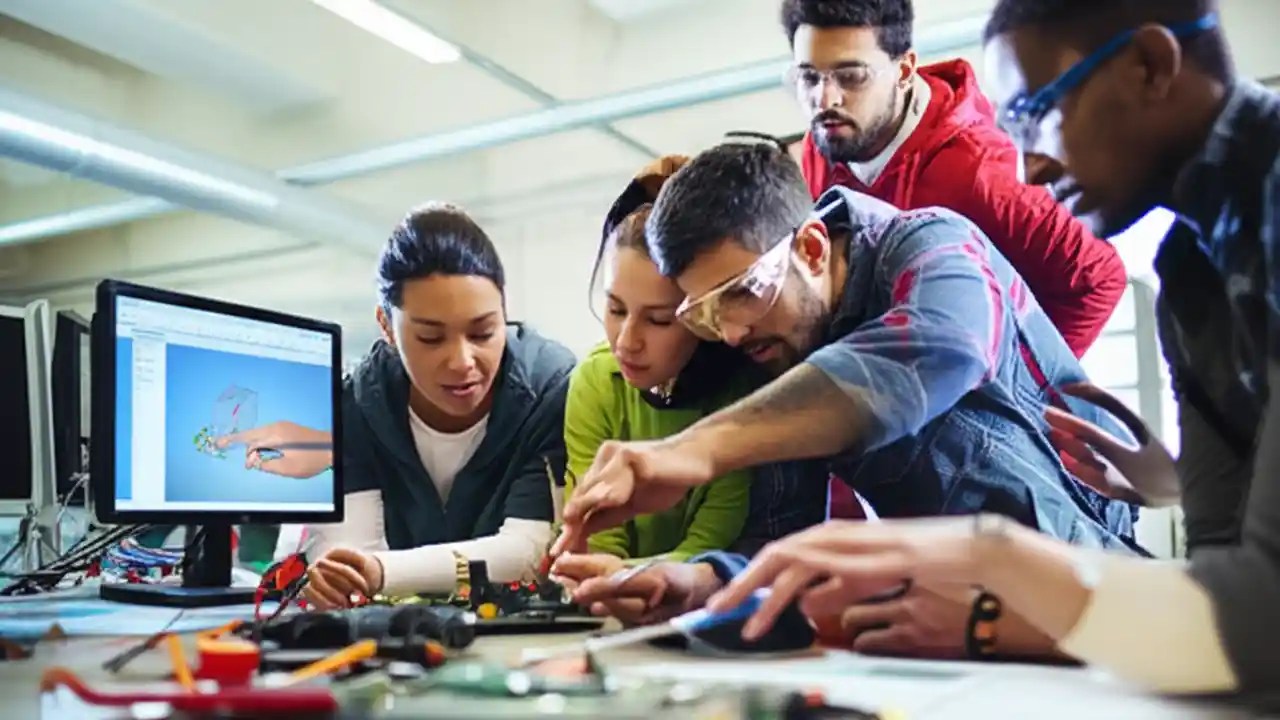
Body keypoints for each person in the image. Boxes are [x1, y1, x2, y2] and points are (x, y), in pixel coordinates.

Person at [611, 0, 1280, 697]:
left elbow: (1257, 624)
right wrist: (703, 581)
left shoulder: (934, 241)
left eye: (1037, 111)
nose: (1030, 166)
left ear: (1149, 65)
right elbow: (1221, 591)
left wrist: (987, 570)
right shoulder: (1192, 276)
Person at [556, 141, 1142, 659]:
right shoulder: (774, 348)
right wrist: (697, 584)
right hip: (953, 630)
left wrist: (695, 451)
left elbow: (944, 346)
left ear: (811, 248)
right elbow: (781, 537)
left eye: (742, 293)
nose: (731, 332)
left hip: (1102, 603)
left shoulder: (931, 244)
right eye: (705, 313)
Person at [782, 0, 1127, 358]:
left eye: (851, 76)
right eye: (808, 77)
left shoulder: (982, 177)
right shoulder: (823, 144)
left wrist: (1023, 393)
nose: (823, 99)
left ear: (904, 70)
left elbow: (1098, 280)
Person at [299, 203, 576, 609]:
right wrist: (341, 576)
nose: (462, 361)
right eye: (431, 338)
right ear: (386, 326)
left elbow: (526, 552)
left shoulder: (548, 386)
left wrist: (378, 572)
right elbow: (348, 557)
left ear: (505, 312)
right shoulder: (354, 403)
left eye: (483, 332)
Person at [552, 156, 754, 586]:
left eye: (659, 320)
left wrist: (617, 575)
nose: (627, 340)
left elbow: (710, 550)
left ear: (704, 315)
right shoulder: (595, 381)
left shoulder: (744, 397)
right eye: (615, 308)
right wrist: (608, 571)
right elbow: (595, 542)